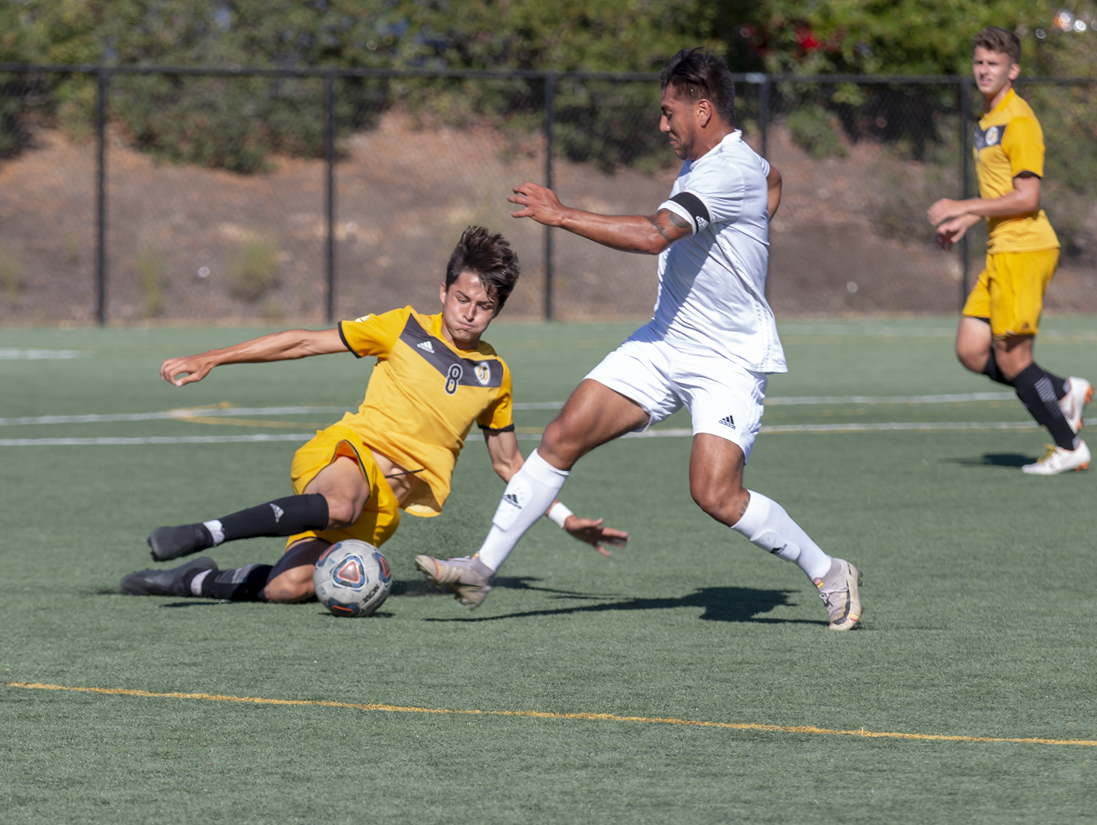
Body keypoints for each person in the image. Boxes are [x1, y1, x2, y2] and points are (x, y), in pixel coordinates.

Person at [414, 49, 863, 630]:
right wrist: (758, 218)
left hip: (728, 358)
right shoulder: (727, 162)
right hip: (666, 342)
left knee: (716, 494)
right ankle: (481, 568)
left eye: (668, 111)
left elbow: (656, 235)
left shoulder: (728, 170)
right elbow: (773, 178)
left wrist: (560, 215)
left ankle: (829, 571)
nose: (661, 124)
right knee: (562, 434)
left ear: (702, 110)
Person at [120, 226, 627, 604]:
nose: (469, 312)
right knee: (340, 502)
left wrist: (565, 520)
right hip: (348, 454)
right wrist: (214, 357)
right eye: (461, 298)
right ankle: (202, 533)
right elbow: (302, 342)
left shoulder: (494, 375)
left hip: (383, 509)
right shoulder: (401, 328)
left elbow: (511, 467)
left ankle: (193, 578)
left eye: (484, 306)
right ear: (443, 291)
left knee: (287, 587)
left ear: (498, 310)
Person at [928, 26, 1091, 475]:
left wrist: (962, 204)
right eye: (979, 62)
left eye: (993, 64)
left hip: (1025, 249)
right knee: (971, 349)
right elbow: (1003, 193)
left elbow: (1028, 198)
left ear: (1012, 70)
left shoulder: (1019, 120)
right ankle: (1061, 390)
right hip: (1002, 249)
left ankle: (1069, 445)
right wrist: (969, 219)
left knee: (1013, 359)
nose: (983, 70)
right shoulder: (987, 120)